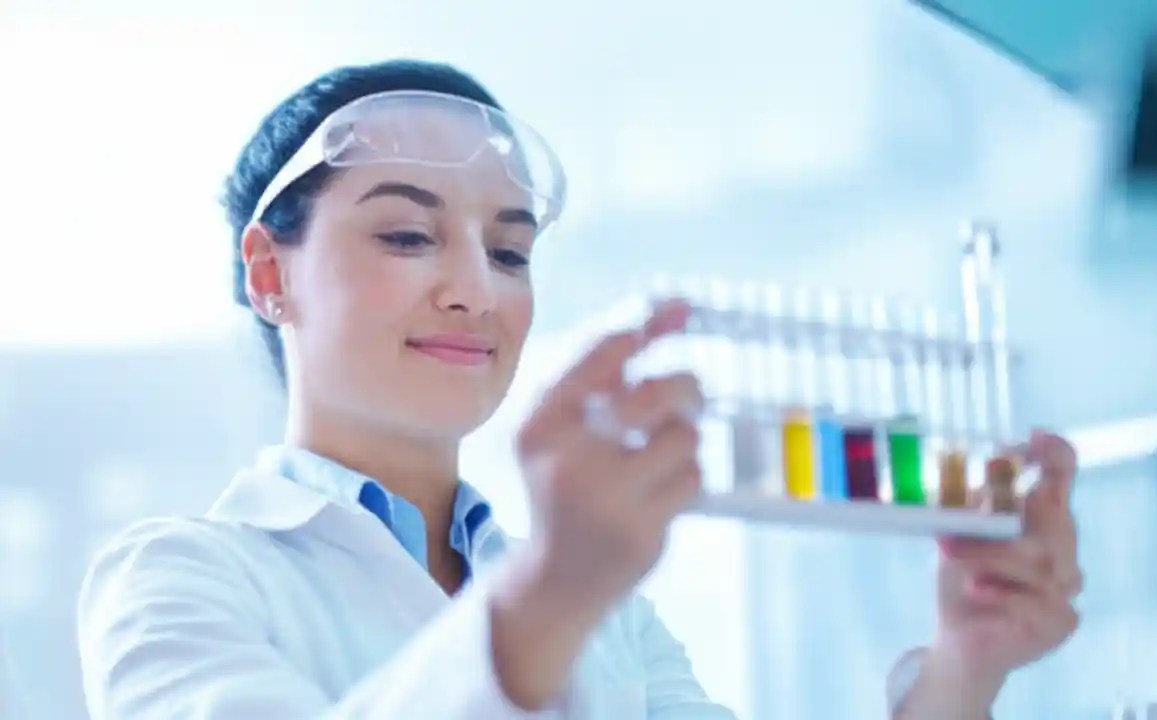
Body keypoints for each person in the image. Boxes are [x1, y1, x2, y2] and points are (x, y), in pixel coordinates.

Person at [76, 59, 1083, 719]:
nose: (474, 289)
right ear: (269, 272)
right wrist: (547, 596)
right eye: (405, 234)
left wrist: (961, 667)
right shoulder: (175, 580)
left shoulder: (612, 613)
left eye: (509, 252)